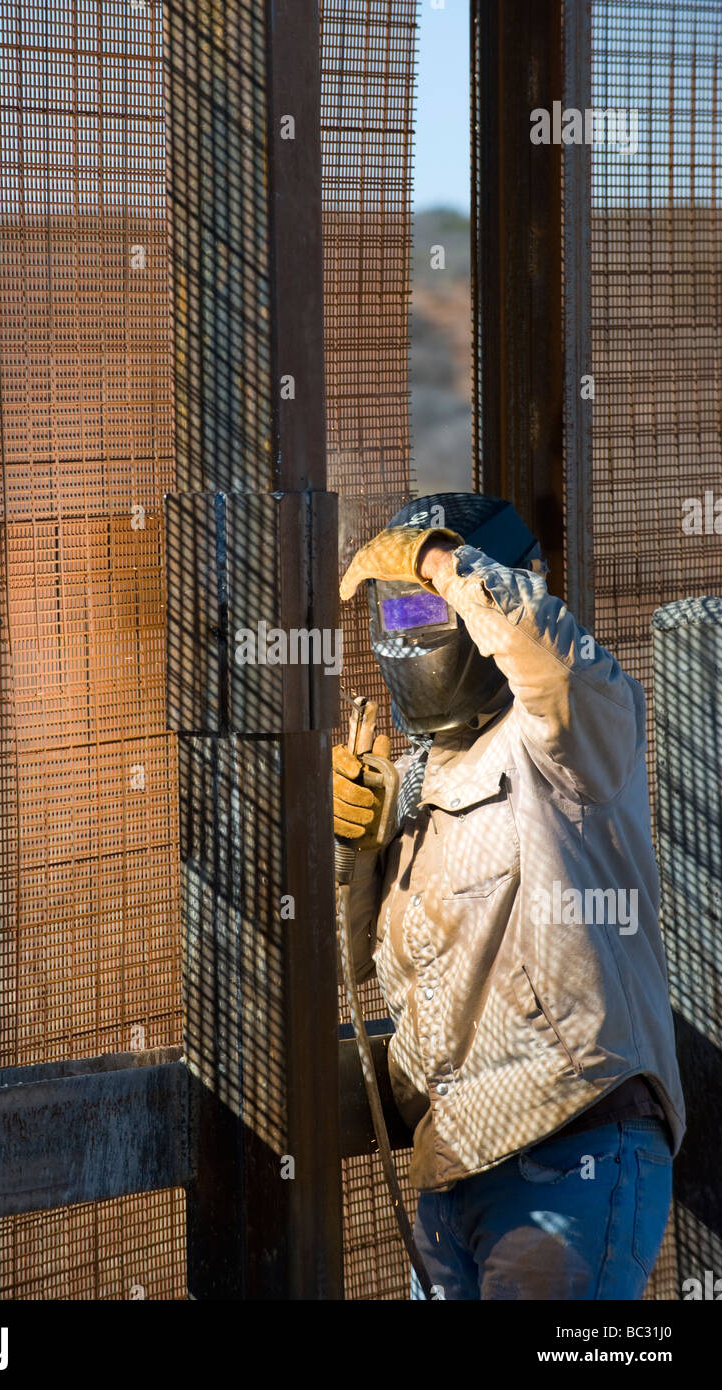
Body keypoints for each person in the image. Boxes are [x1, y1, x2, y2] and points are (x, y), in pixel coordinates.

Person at [335, 493, 685, 1301]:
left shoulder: (566, 735)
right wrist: (352, 853)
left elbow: (549, 660)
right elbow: (354, 967)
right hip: (448, 1169)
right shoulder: (416, 777)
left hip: (572, 1150)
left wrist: (438, 560)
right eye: (405, 606)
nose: (417, 621)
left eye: (434, 601)